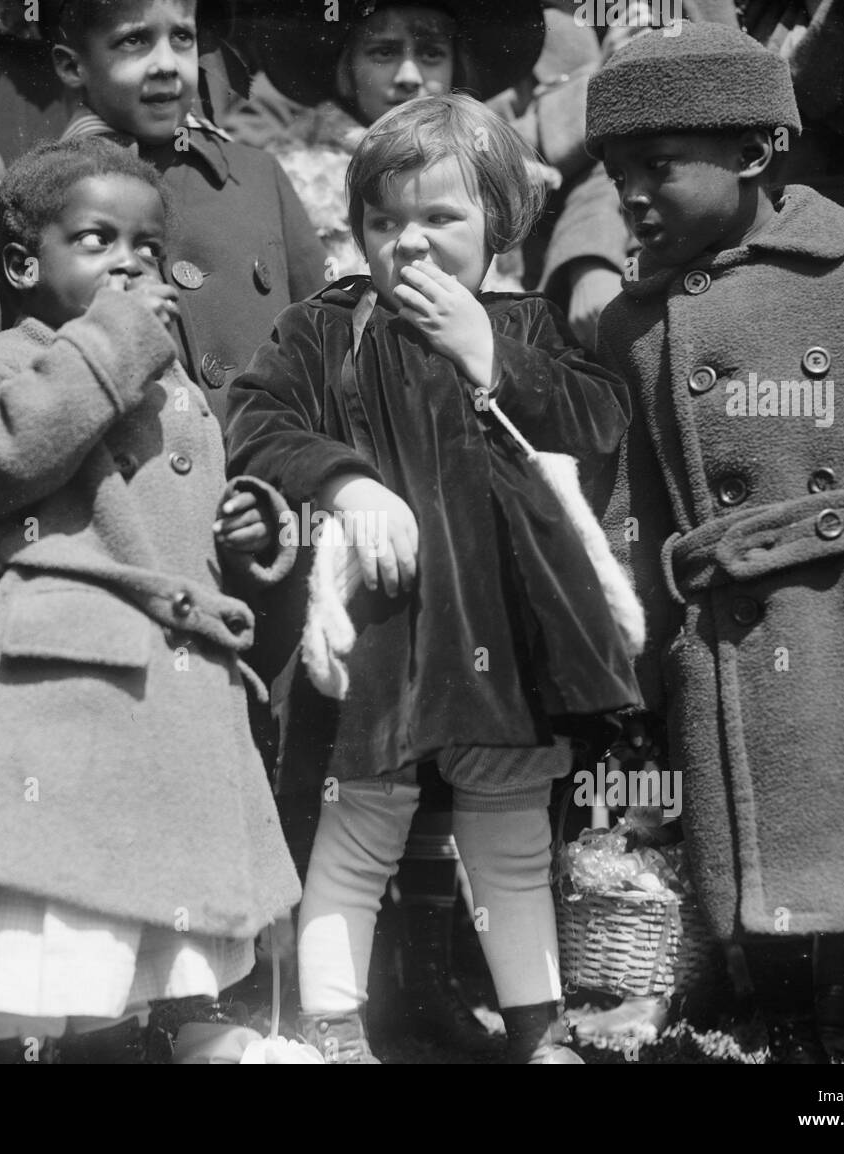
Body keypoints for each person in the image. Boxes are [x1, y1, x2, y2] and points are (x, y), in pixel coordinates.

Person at [591, 22, 844, 1064]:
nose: (630, 194)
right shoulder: (630, 327)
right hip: (727, 634)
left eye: (657, 166)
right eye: (616, 171)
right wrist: (632, 653)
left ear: (756, 153)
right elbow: (632, 509)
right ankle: (814, 1031)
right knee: (778, 862)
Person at [227, 93, 641, 1063]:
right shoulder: (330, 327)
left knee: (507, 835)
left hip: (497, 628)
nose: (407, 243)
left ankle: (539, 1029)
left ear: (499, 220)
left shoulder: (531, 325)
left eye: (439, 218)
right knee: (360, 824)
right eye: (384, 221)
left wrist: (487, 354)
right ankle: (334, 1028)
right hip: (379, 632)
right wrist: (350, 481)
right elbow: (258, 417)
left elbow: (599, 421)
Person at [0, 136, 301, 1063]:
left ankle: (110, 1041)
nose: (129, 262)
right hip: (52, 688)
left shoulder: (173, 383)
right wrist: (116, 336)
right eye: (97, 239)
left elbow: (178, 520)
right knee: (34, 909)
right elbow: (9, 454)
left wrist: (249, 532)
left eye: (146, 248)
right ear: (26, 265)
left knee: (123, 918)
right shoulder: (3, 362)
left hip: (153, 689)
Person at [41, 0, 327, 426]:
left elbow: (323, 337)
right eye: (134, 40)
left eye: (182, 38)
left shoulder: (256, 174)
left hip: (274, 463)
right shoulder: (48, 195)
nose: (166, 65)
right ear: (71, 67)